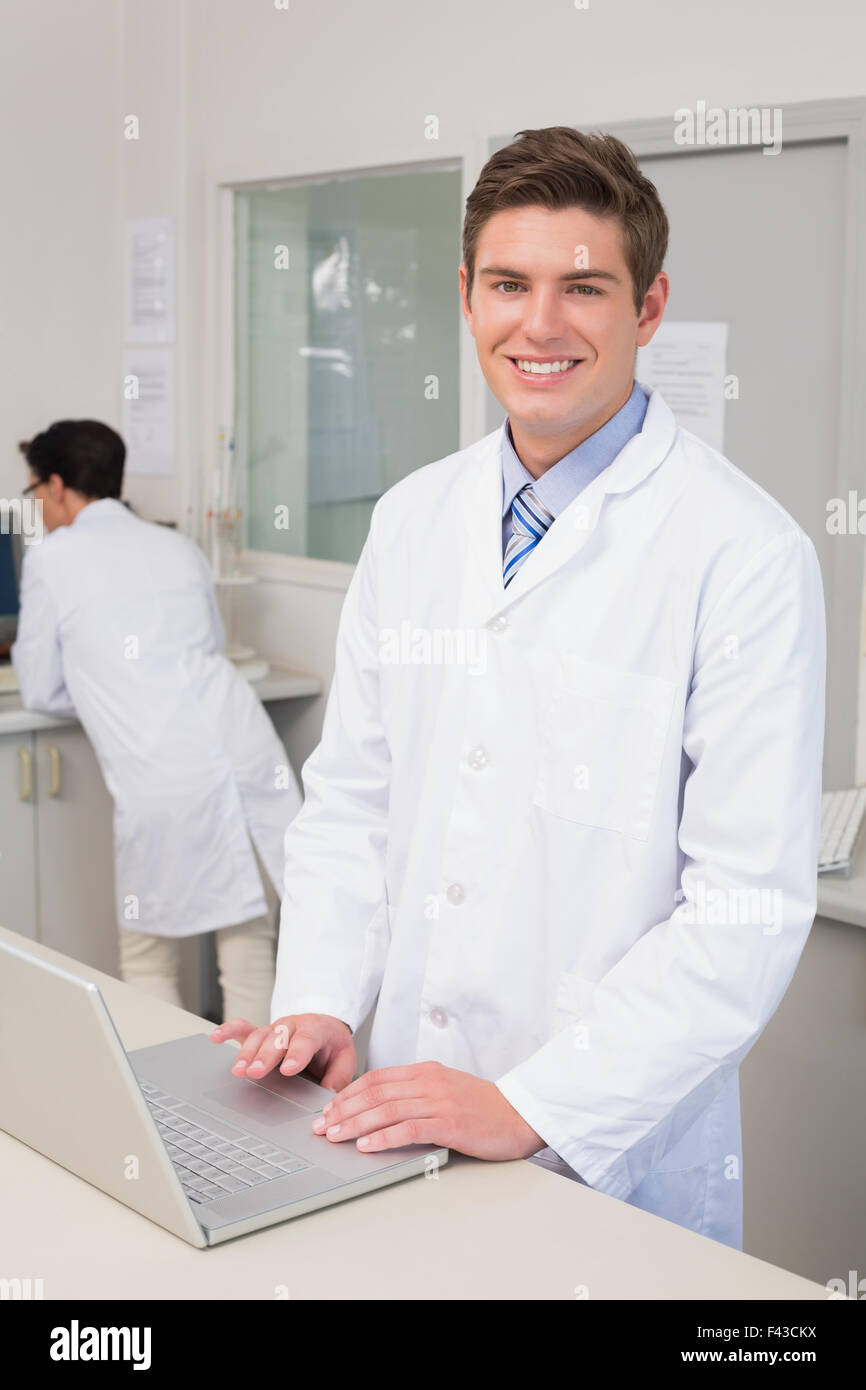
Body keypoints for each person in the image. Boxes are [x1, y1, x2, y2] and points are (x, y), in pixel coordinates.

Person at [210, 126, 825, 1249]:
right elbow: (351, 802)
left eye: (582, 287)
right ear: (465, 296)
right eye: (507, 284)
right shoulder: (411, 520)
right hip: (385, 1110)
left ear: (645, 310)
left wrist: (529, 1104)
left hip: (601, 1162)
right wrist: (320, 1004)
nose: (537, 325)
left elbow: (741, 911)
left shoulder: (742, 554)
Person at [12, 420, 302, 1022]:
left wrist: (105, 688)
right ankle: (253, 1104)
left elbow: (40, 685)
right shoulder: (178, 546)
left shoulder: (52, 558)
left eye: (35, 489)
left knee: (147, 957)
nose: (36, 505)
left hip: (167, 771)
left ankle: (162, 1110)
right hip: (247, 749)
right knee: (248, 942)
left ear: (59, 486)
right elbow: (209, 646)